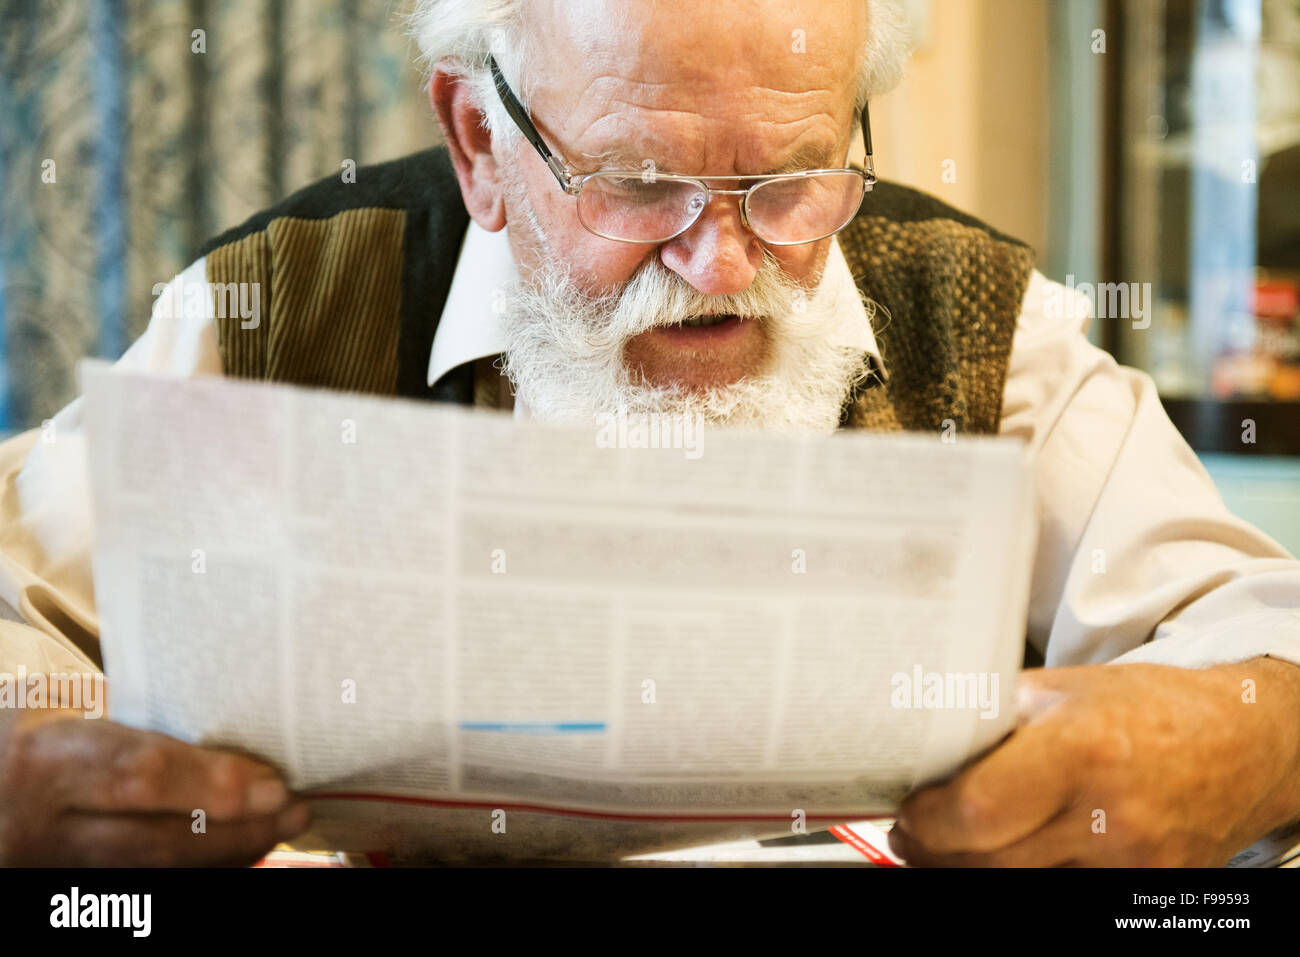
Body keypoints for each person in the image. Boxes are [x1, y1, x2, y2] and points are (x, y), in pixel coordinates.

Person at [1, 0, 1298, 866]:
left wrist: (1232, 745)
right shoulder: (281, 302)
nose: (720, 258)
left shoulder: (973, 316)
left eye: (791, 175)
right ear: (475, 139)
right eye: (637, 183)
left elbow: (1259, 642)